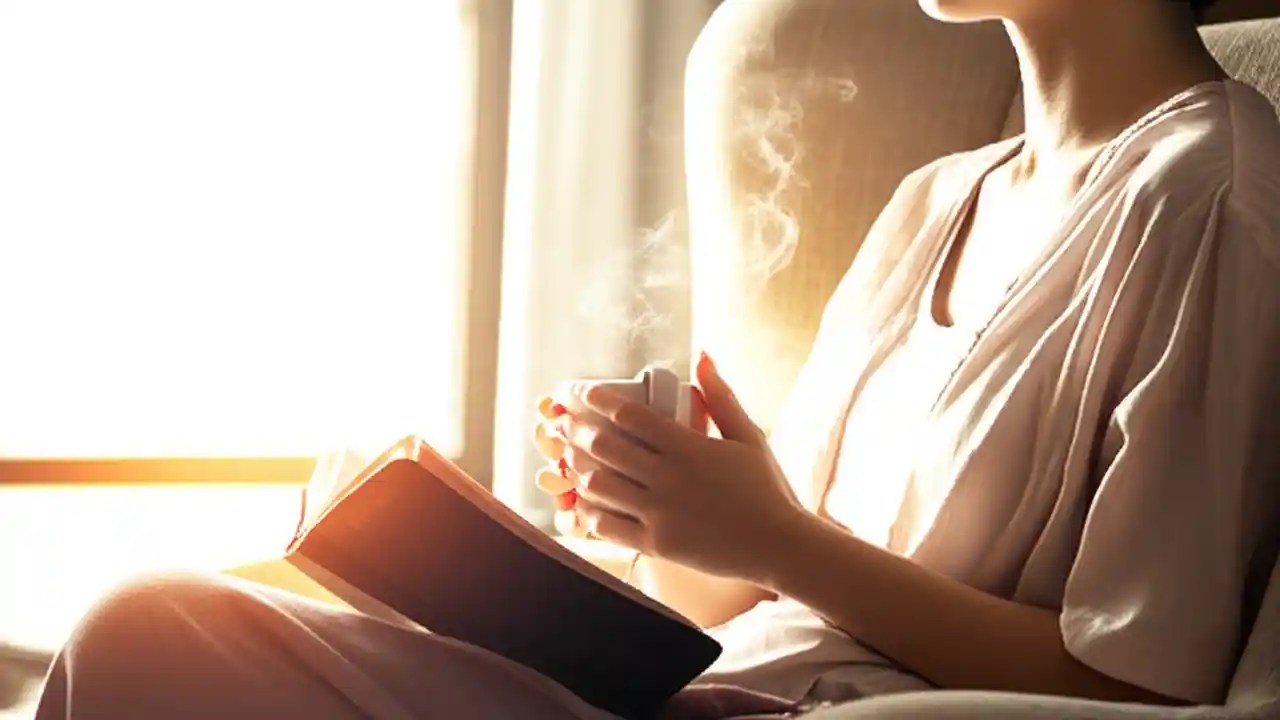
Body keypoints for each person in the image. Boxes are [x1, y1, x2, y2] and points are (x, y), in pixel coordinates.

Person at [34, 0, 1280, 717]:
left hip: (788, 716)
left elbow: (1140, 690)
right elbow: (738, 592)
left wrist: (774, 540)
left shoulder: (1210, 191)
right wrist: (658, 511)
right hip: (688, 686)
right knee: (186, 612)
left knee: (145, 633)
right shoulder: (931, 200)